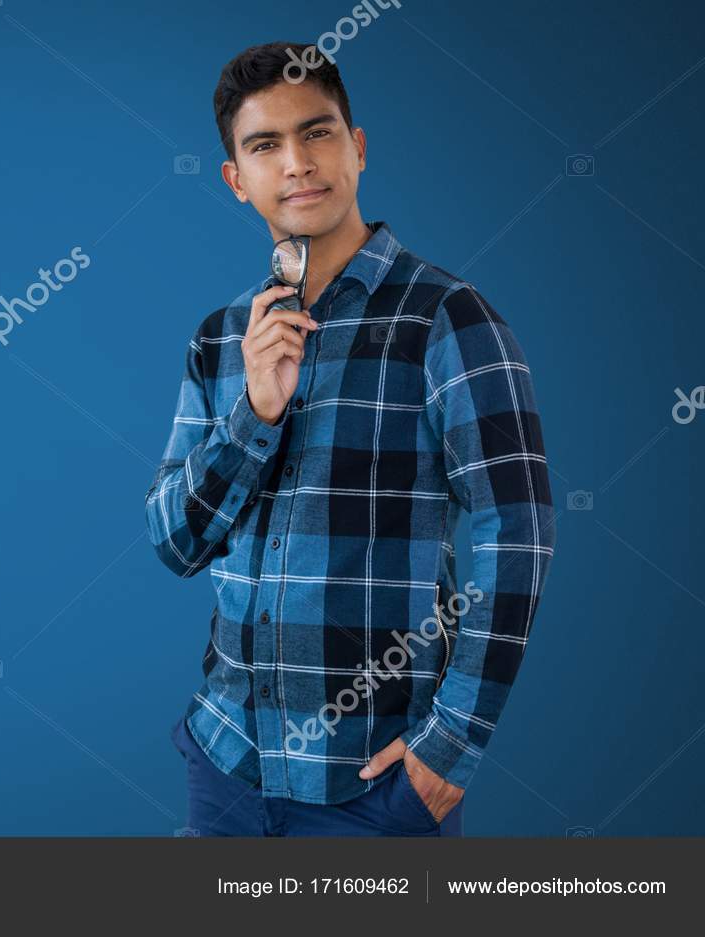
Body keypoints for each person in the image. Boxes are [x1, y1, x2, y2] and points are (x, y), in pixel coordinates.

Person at [145, 41, 555, 836]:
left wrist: (450, 748)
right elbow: (175, 543)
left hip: (369, 788)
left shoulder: (448, 318)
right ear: (237, 180)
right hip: (226, 762)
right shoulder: (221, 338)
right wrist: (253, 417)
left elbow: (521, 534)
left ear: (357, 147)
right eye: (266, 145)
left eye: (318, 132)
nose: (297, 162)